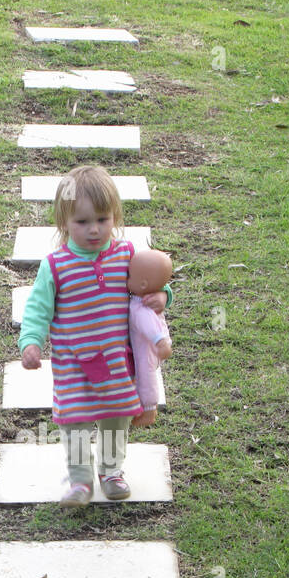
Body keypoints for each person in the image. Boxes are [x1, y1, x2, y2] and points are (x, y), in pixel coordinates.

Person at [18, 166, 173, 507]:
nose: (94, 230)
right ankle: (80, 480)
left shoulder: (126, 254)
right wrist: (30, 341)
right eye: (82, 222)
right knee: (73, 421)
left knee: (115, 418)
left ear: (115, 216)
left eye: (103, 220)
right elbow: (37, 309)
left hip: (117, 362)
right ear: (64, 222)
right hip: (75, 364)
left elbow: (153, 284)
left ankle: (111, 471)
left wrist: (163, 298)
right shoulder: (56, 265)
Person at [126, 248, 174, 428]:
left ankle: (148, 408)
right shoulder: (139, 298)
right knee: (144, 374)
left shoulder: (141, 307)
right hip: (151, 342)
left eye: (128, 275)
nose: (125, 278)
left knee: (146, 374)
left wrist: (164, 293)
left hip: (149, 345)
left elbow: (150, 325)